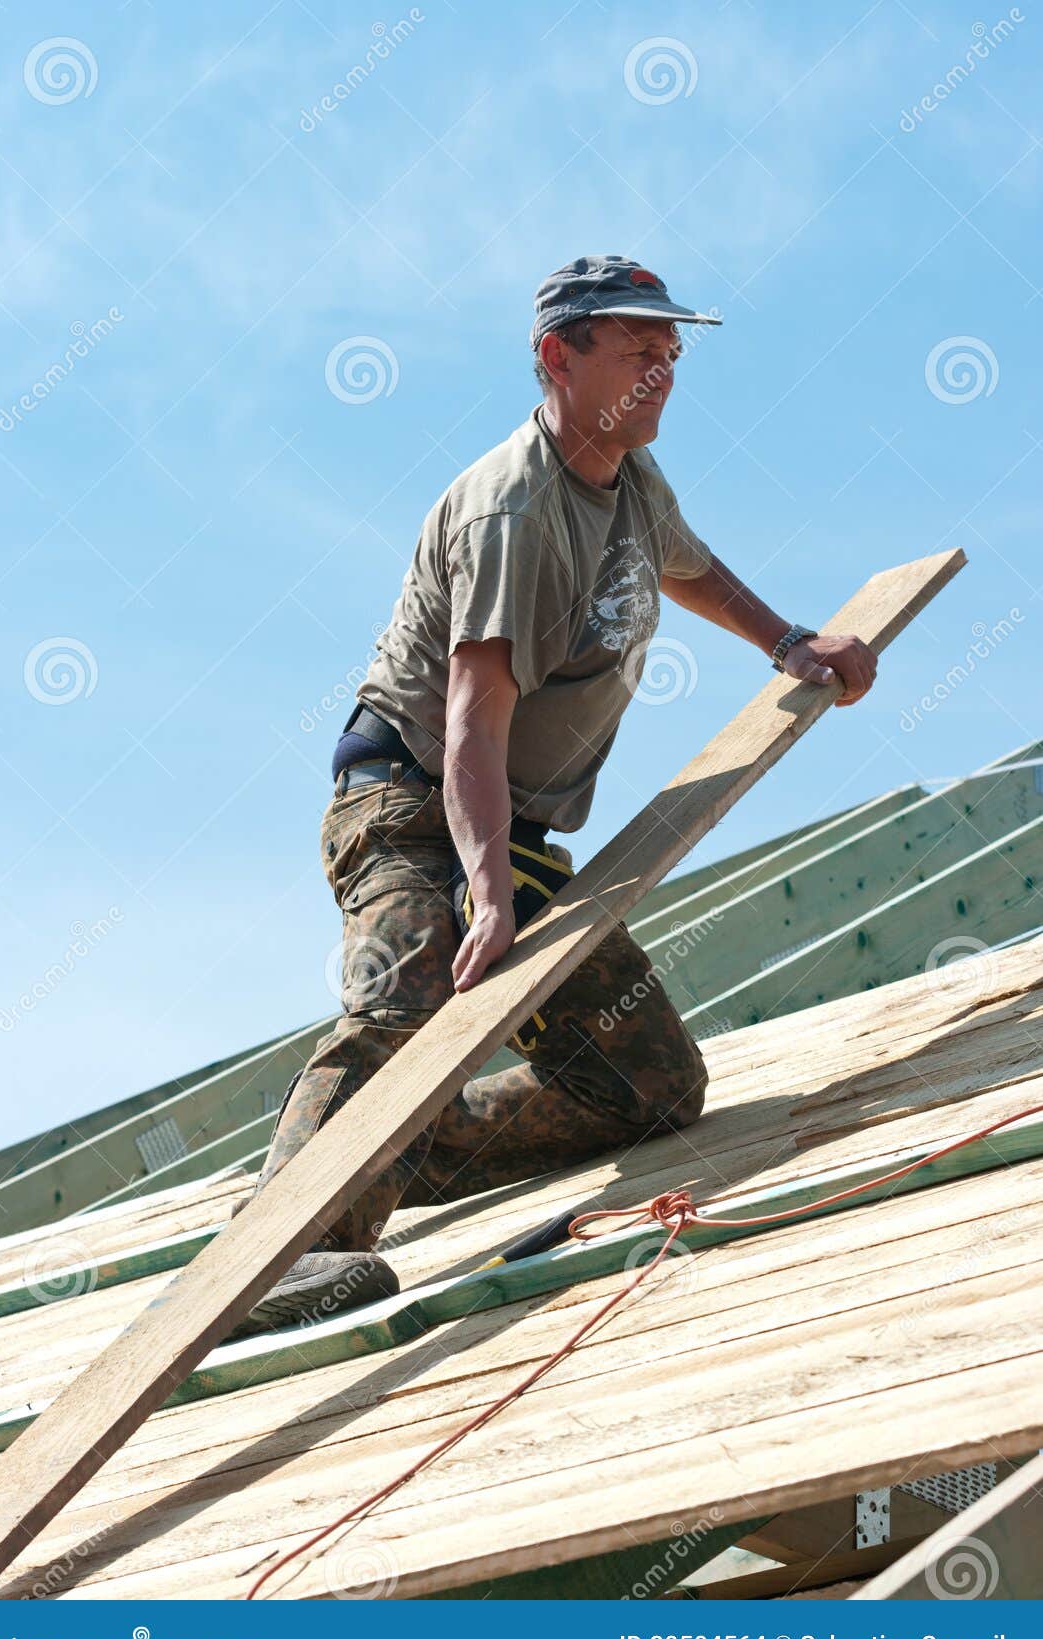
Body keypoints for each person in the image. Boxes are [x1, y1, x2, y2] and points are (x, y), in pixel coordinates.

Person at [232, 255, 877, 1337]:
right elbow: (470, 726)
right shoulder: (510, 510)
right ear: (557, 357)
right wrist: (487, 895)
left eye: (671, 351)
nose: (663, 369)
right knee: (407, 991)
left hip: (508, 828)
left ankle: (389, 1145)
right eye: (637, 349)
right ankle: (282, 1248)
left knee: (650, 1088)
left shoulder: (628, 480)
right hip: (408, 800)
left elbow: (688, 566)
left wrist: (786, 641)